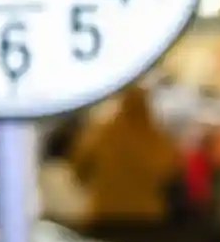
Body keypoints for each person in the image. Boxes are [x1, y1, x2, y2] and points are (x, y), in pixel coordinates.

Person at [71, 86, 180, 231]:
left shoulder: (103, 134)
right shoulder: (158, 139)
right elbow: (171, 174)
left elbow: (80, 168)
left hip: (106, 213)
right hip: (147, 218)